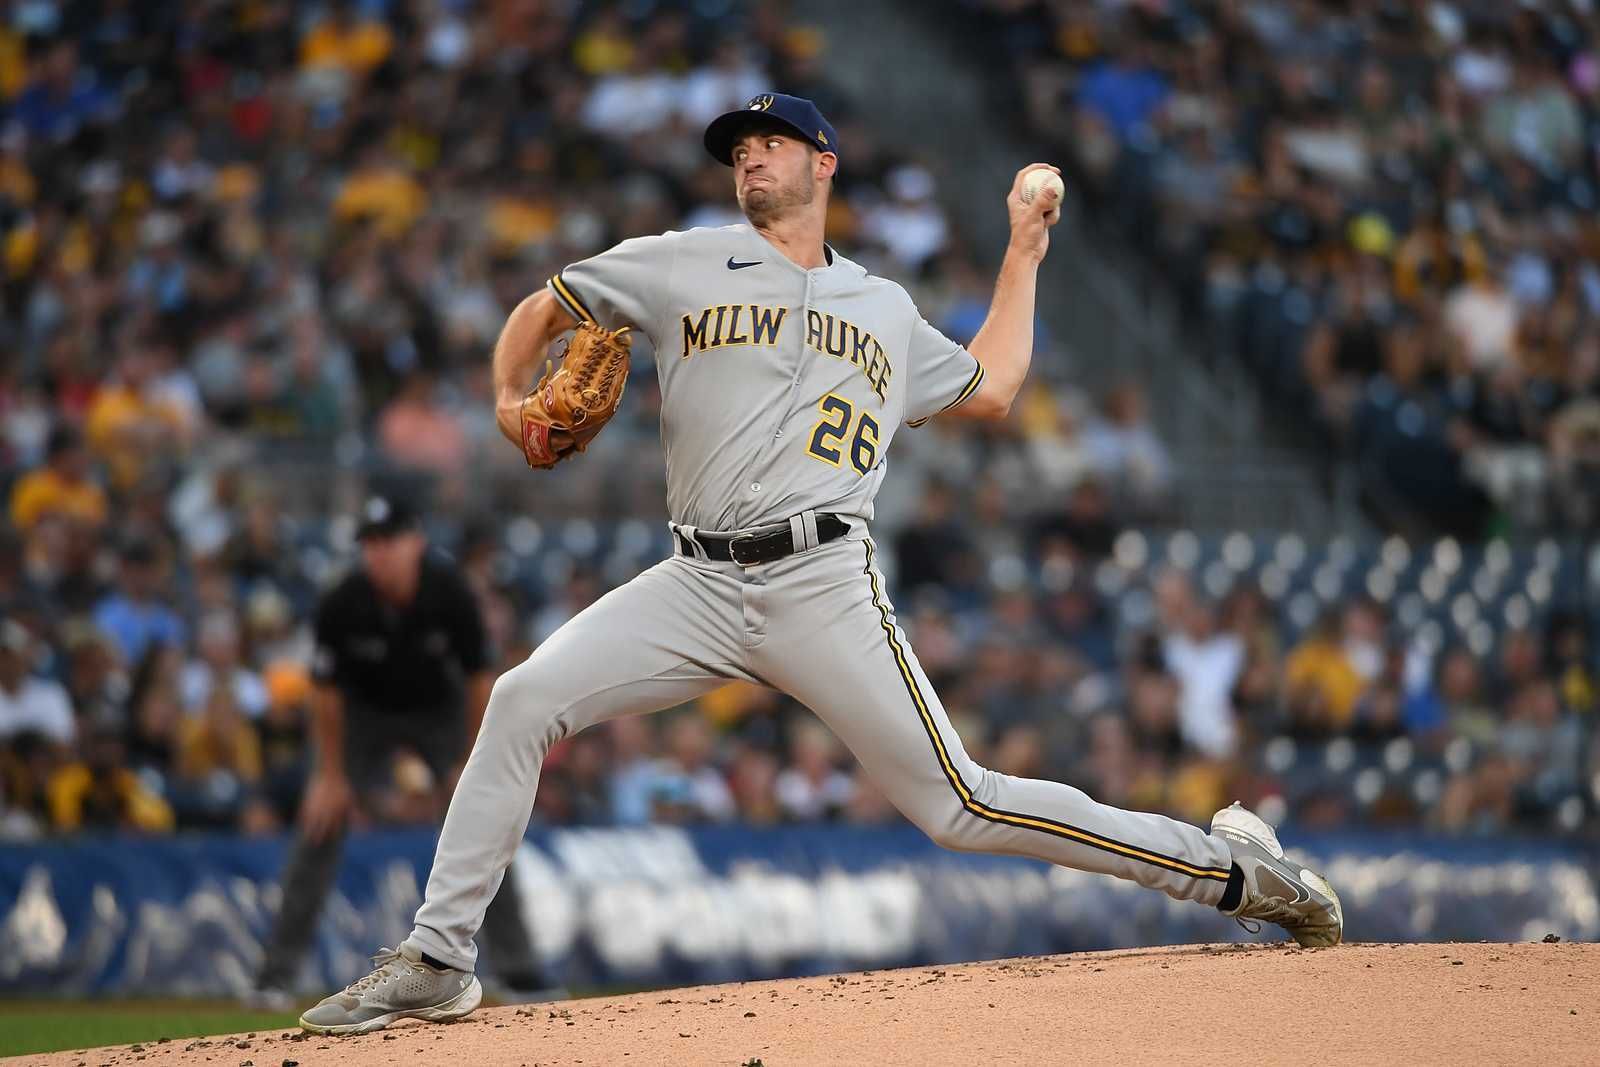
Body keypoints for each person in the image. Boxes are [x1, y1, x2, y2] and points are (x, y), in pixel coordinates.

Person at [299, 93, 1342, 1035]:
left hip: (822, 583)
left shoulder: (883, 306)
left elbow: (990, 389)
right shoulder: (677, 259)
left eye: (771, 143)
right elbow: (542, 307)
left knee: (962, 806)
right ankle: (439, 956)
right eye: (738, 149)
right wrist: (505, 395)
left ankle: (1236, 872)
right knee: (522, 697)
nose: (750, 160)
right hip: (696, 582)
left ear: (824, 163)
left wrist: (1021, 250)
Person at [253, 495, 549, 1006]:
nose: (378, 553)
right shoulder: (343, 600)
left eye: (388, 541)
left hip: (441, 711)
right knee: (320, 822)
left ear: (416, 542)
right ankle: (275, 975)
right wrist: (329, 774)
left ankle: (520, 970)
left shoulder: (450, 592)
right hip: (363, 715)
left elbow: (482, 679)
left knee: (487, 820)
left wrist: (470, 761)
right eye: (369, 543)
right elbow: (324, 692)